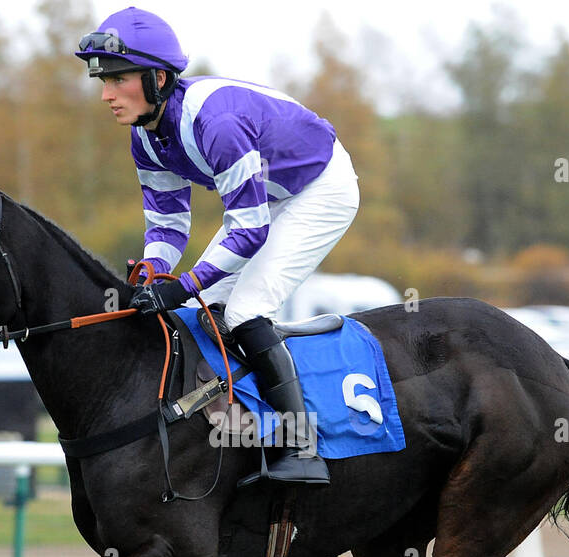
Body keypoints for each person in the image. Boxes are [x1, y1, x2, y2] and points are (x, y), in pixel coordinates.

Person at [77, 6, 360, 485]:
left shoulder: (215, 124)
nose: (106, 94)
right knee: (210, 307)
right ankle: (241, 429)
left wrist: (183, 285)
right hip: (271, 198)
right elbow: (167, 223)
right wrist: (150, 273)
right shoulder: (146, 136)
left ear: (158, 78)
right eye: (101, 80)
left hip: (320, 189)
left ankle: (302, 445)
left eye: (118, 79)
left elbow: (249, 229)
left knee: (244, 309)